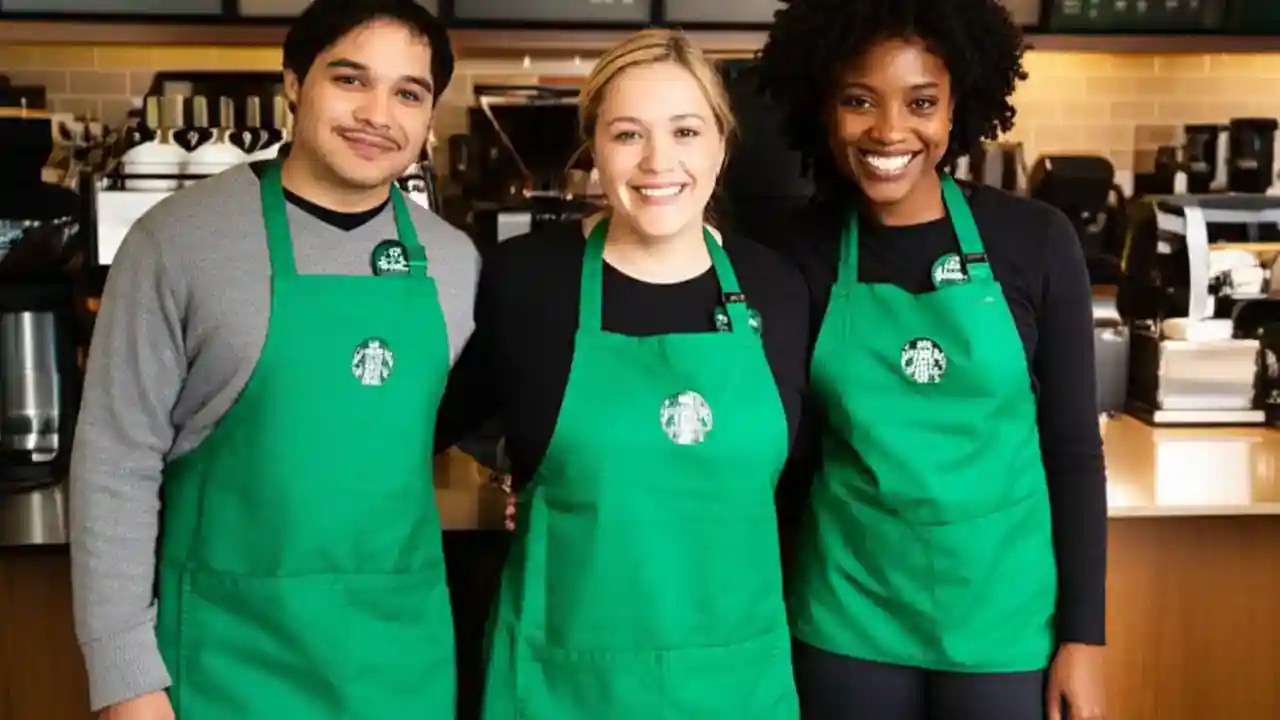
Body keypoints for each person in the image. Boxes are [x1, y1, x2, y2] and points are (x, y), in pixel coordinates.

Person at [68, 2, 478, 718]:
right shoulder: (179, 242)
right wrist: (125, 680)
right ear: (293, 83)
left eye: (408, 93)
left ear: (427, 115)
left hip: (397, 662)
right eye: (350, 80)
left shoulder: (453, 261)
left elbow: (474, 420)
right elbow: (114, 464)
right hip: (226, 660)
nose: (377, 113)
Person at [433, 28, 810, 720]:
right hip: (561, 681)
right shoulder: (526, 282)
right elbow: (429, 423)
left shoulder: (779, 290)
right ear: (594, 150)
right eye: (628, 134)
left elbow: (811, 477)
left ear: (721, 146)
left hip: (733, 681)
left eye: (687, 130)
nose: (658, 161)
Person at [752, 1, 1108, 719]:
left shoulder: (1036, 240)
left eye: (921, 102)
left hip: (1005, 623)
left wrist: (1085, 640)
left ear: (957, 109)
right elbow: (775, 451)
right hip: (848, 618)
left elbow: (1072, 452)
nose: (889, 131)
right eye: (859, 101)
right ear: (823, 107)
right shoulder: (795, 253)